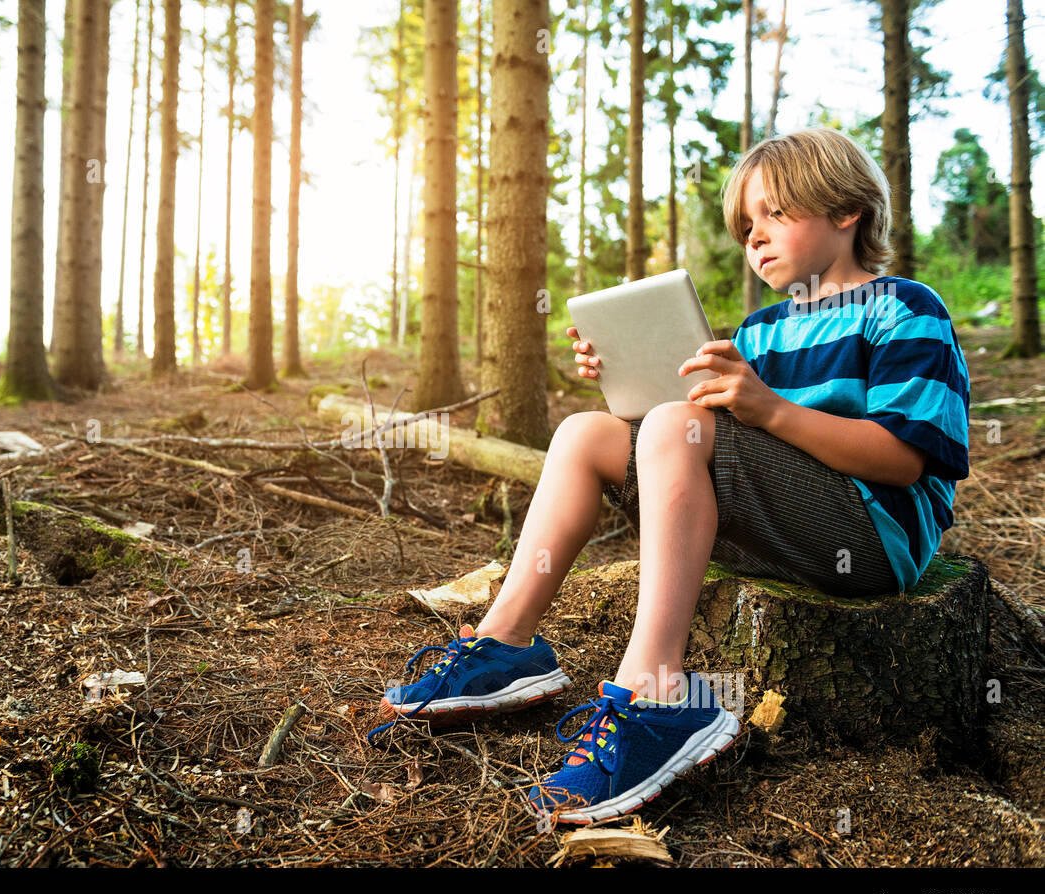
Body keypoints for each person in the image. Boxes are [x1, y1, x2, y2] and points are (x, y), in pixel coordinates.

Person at [369, 127, 971, 826]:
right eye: (746, 225)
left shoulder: (903, 307)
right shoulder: (761, 331)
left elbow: (901, 457)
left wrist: (767, 408)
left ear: (847, 211)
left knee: (673, 425)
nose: (756, 236)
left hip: (870, 534)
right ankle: (506, 644)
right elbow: (709, 443)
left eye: (776, 212)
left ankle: (657, 694)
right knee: (585, 432)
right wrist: (627, 376)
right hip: (780, 529)